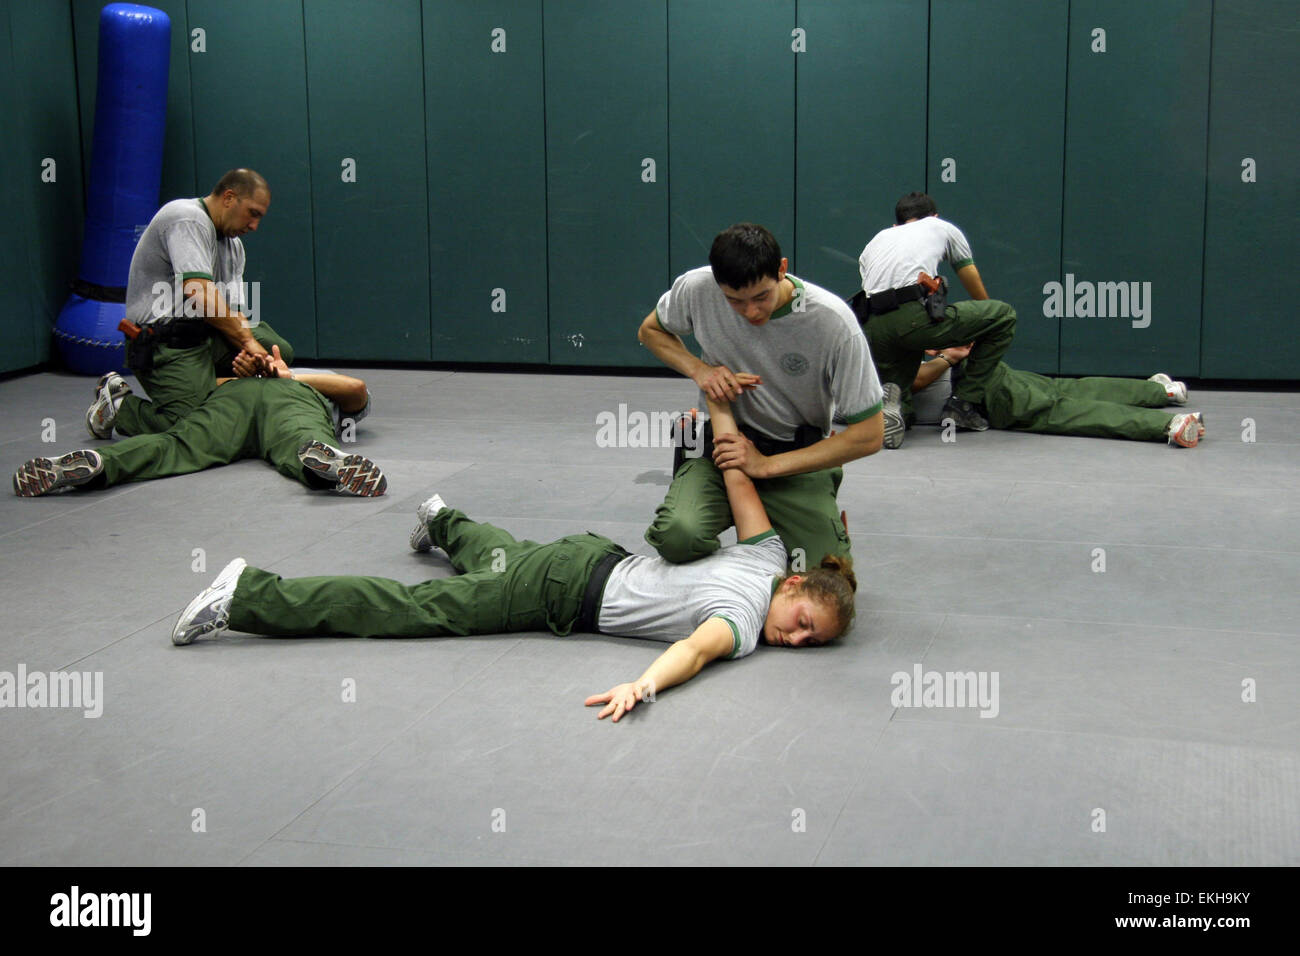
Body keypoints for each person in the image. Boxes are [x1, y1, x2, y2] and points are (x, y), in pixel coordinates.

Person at [170, 393, 859, 722]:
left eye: (808, 641)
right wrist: (641, 687)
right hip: (563, 594)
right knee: (417, 611)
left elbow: (735, 470)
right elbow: (696, 653)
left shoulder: (766, 555)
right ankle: (248, 593)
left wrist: (718, 409)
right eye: (803, 620)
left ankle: (441, 518)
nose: (793, 639)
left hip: (588, 557)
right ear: (796, 582)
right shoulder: (742, 616)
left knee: (501, 557)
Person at [637, 222, 884, 567]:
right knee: (679, 539)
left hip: (794, 453)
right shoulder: (697, 288)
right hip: (719, 445)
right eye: (734, 301)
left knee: (821, 575)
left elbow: (870, 435)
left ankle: (817, 520)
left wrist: (766, 466)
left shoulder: (832, 323)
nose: (751, 312)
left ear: (782, 269)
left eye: (761, 297)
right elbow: (650, 331)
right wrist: (700, 370)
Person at [86, 168, 296, 440]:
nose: (254, 226)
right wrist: (247, 343)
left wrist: (247, 358)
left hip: (205, 336)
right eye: (253, 213)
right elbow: (199, 292)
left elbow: (234, 312)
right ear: (229, 198)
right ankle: (119, 406)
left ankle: (206, 387)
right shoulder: (186, 217)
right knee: (196, 424)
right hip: (164, 345)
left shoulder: (234, 246)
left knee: (277, 351)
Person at [14, 346, 386, 497]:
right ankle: (323, 464)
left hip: (282, 394)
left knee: (176, 445)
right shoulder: (287, 380)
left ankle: (103, 464)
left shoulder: (311, 377)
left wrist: (286, 376)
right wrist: (245, 374)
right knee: (299, 437)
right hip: (251, 397)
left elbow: (355, 388)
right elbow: (210, 386)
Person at [856, 191, 1018, 443]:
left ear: (896, 224)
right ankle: (963, 405)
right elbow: (968, 273)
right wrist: (981, 324)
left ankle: (897, 412)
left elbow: (876, 287)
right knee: (1003, 315)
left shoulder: (876, 240)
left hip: (872, 326)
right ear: (934, 215)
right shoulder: (939, 227)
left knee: (899, 394)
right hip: (912, 318)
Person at [905, 346, 1206, 447]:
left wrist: (946, 355)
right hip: (987, 377)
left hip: (988, 394)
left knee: (1068, 411)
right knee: (1069, 389)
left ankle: (1168, 425)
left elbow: (917, 378)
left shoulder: (876, 360)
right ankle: (1164, 391)